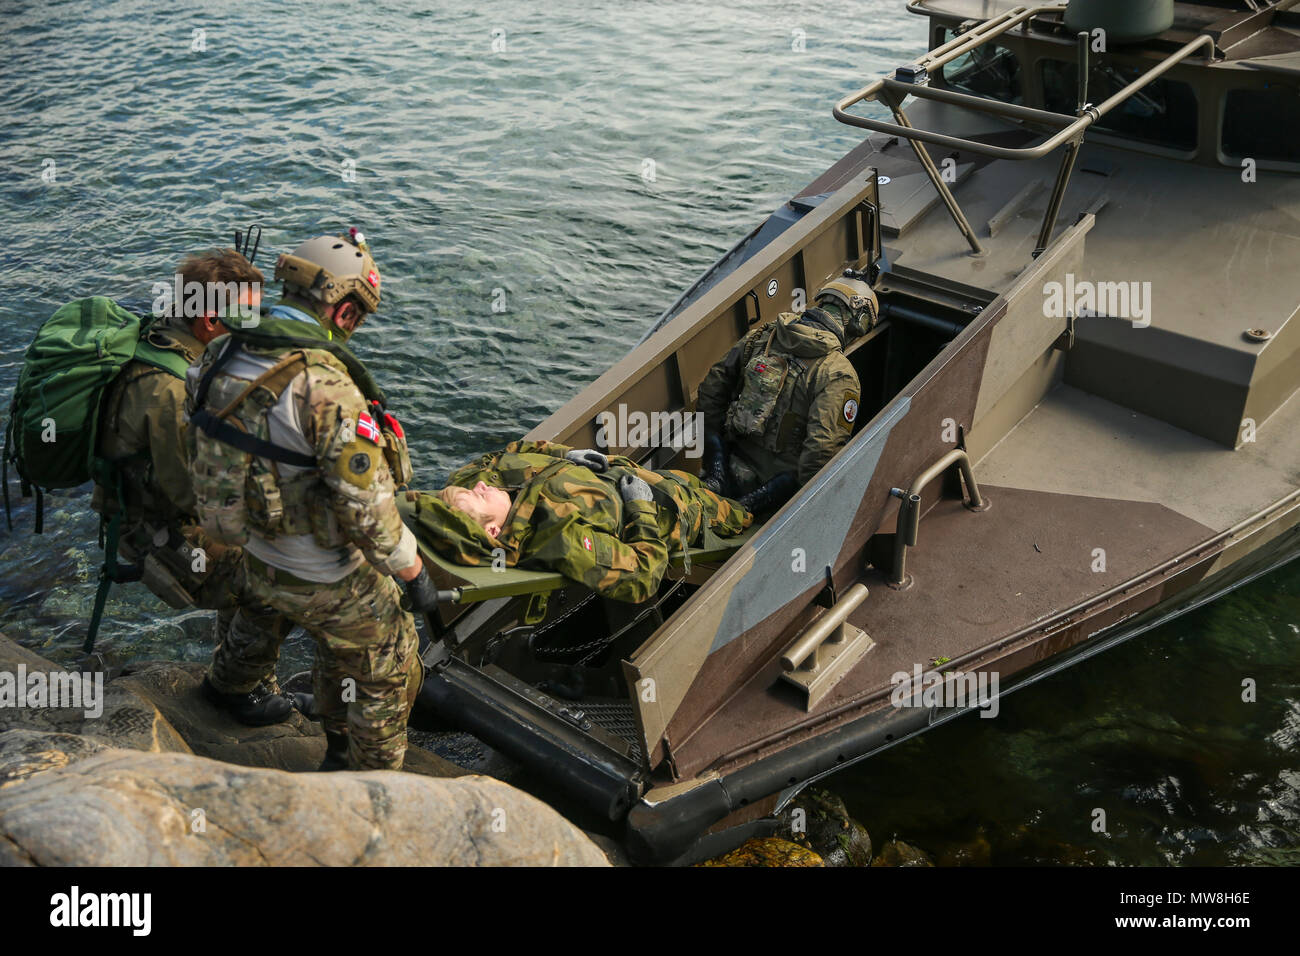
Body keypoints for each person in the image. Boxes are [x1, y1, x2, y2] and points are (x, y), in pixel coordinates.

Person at [186, 230, 437, 772]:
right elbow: (366, 511)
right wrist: (414, 574)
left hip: (252, 555)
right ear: (343, 312)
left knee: (269, 604)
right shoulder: (326, 387)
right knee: (387, 650)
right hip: (317, 572)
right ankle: (365, 772)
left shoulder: (220, 351)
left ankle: (229, 685)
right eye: (357, 318)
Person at [92, 247, 297, 725]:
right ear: (209, 320)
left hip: (155, 510)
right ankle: (231, 690)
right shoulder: (172, 390)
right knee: (289, 575)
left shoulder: (166, 342)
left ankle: (247, 674)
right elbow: (197, 497)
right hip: (159, 535)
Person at [421, 440, 752, 604]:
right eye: (479, 496)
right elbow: (641, 578)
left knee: (682, 478)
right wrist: (641, 509)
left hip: (632, 474)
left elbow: (510, 452)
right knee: (732, 514)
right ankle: (749, 502)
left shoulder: (484, 481)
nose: (480, 486)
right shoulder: (558, 537)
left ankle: (715, 482)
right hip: (674, 512)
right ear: (494, 530)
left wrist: (564, 454)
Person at [696, 276, 879, 514]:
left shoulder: (764, 336)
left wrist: (715, 460)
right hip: (773, 497)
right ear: (859, 323)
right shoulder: (838, 373)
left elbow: (711, 389)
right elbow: (821, 451)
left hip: (727, 470)